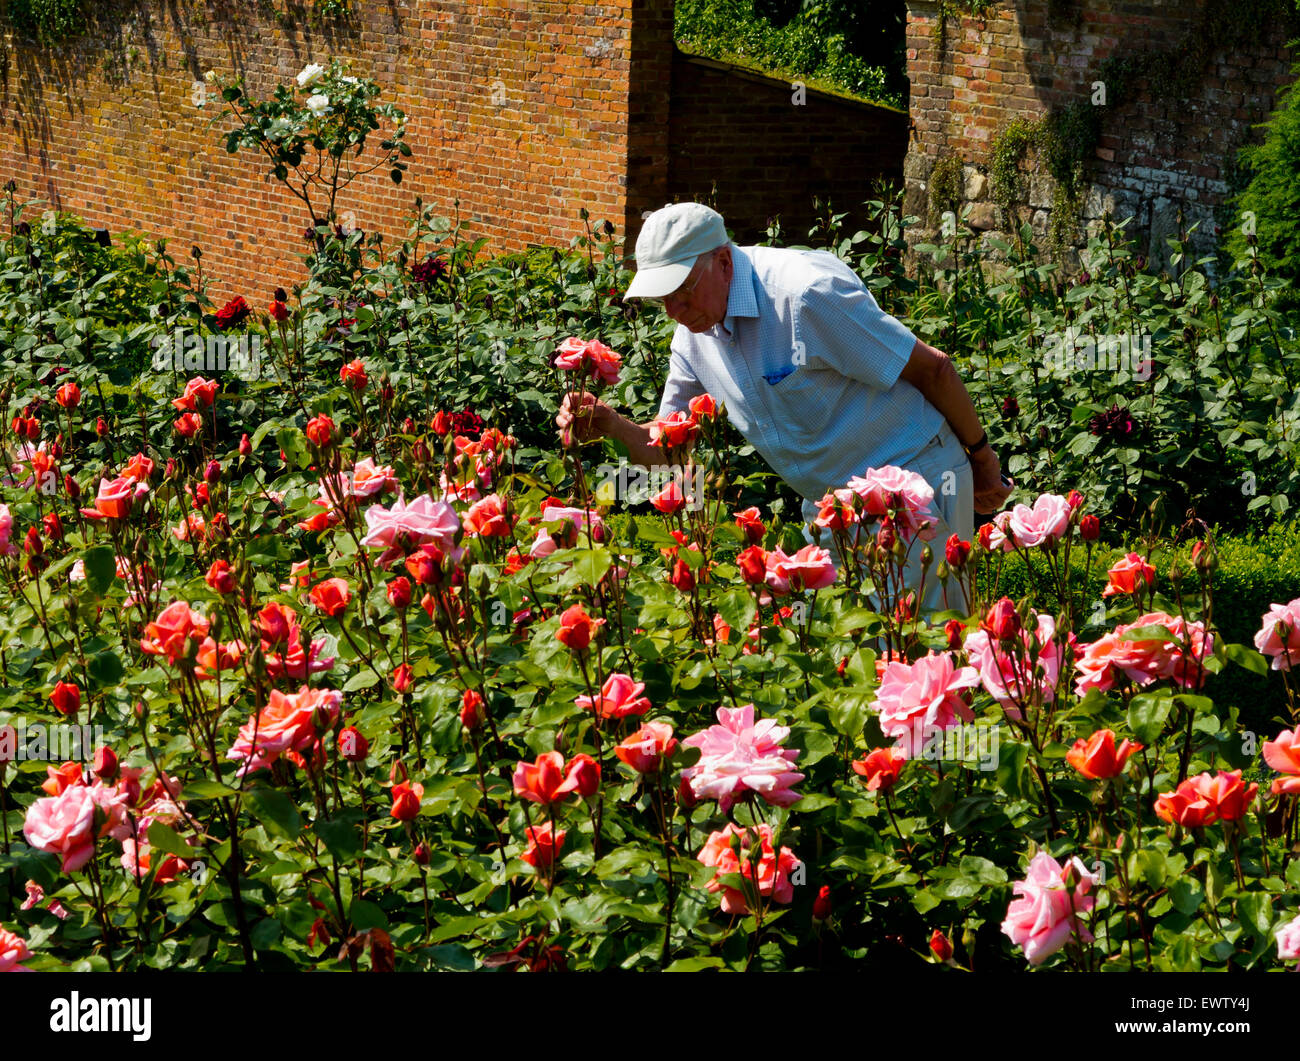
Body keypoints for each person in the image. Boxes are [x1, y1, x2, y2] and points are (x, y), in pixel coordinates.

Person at [556, 202, 1013, 613]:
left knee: (923, 652)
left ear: (722, 262)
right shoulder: (692, 337)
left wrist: (982, 459)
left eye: (683, 291)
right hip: (832, 507)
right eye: (662, 299)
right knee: (833, 658)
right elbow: (667, 449)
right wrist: (613, 424)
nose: (675, 309)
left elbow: (933, 369)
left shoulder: (804, 295)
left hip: (913, 486)